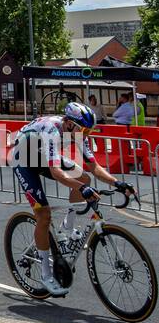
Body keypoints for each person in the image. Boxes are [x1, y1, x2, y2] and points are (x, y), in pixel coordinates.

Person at [9, 101, 135, 297]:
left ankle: (67, 228)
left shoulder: (77, 132)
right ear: (68, 123)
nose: (85, 135)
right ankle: (45, 274)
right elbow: (56, 172)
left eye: (88, 131)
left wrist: (117, 183)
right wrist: (82, 189)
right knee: (43, 215)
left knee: (84, 176)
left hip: (42, 155)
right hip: (24, 160)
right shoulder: (51, 129)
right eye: (83, 130)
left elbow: (93, 167)